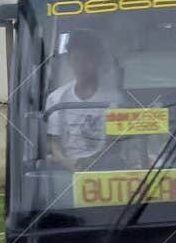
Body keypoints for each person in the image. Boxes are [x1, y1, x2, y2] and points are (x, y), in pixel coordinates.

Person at [45, 30, 122, 170]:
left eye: (88, 60)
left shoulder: (114, 98)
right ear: (69, 60)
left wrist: (92, 164)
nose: (82, 66)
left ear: (97, 60)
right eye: (77, 60)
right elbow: (53, 143)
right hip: (66, 169)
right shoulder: (56, 99)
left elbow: (113, 142)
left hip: (105, 167)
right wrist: (70, 165)